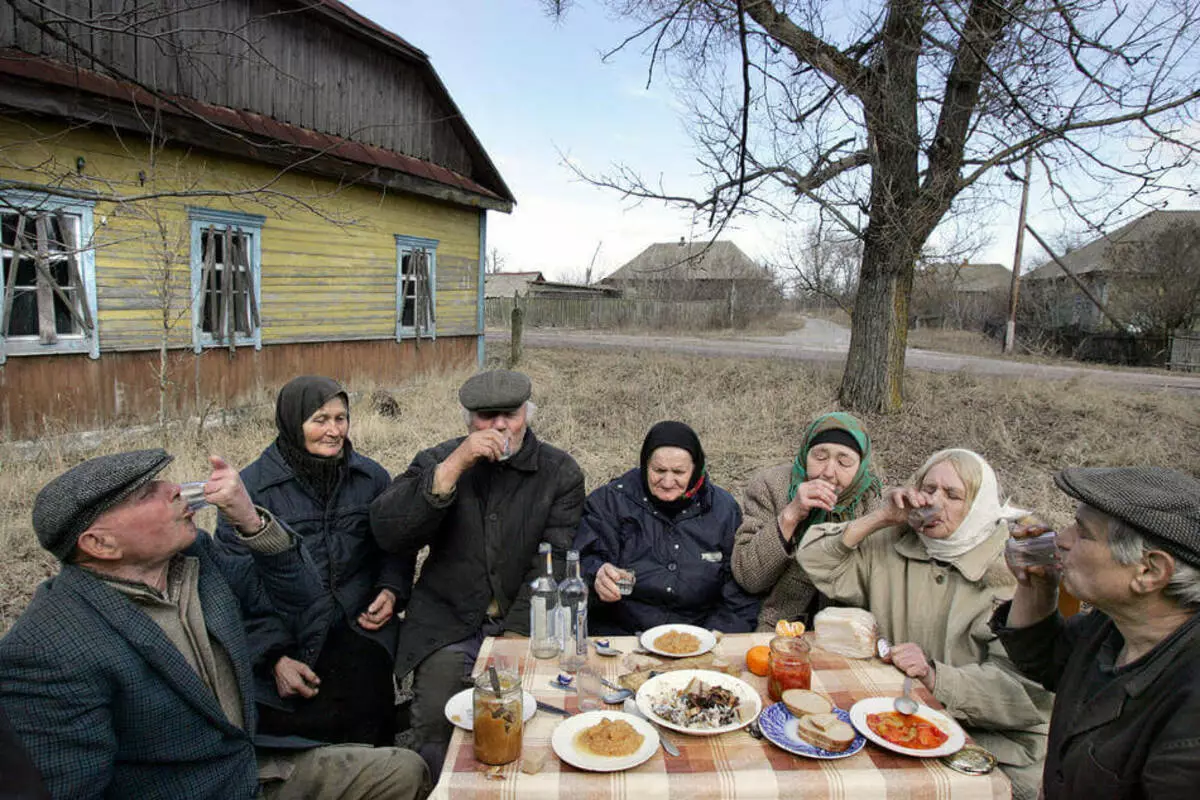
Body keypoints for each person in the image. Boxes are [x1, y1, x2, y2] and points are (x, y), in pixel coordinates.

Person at [0, 449, 427, 800]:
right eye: (148, 492)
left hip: (247, 770)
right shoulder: (46, 649)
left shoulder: (196, 559)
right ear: (99, 543)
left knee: (403, 772)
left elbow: (303, 600)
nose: (174, 489)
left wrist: (250, 521)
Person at [797, 448, 1052, 799]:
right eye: (928, 489)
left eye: (953, 495)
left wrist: (935, 677)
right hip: (897, 720)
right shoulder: (895, 541)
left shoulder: (1012, 571)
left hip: (990, 742)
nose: (934, 502)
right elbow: (813, 558)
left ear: (979, 507)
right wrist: (881, 517)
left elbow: (1026, 693)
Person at [370, 369, 585, 777]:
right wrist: (453, 468)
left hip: (525, 621)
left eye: (510, 414)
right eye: (486, 417)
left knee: (529, 716)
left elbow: (552, 562)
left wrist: (515, 637)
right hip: (448, 621)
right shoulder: (440, 459)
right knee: (436, 720)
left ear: (527, 413)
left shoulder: (560, 473)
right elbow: (388, 530)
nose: (500, 426)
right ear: (469, 420)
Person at [216, 376, 411, 747]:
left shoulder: (370, 477)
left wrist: (391, 587)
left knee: (374, 741)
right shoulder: (250, 491)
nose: (334, 431)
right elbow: (233, 585)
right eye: (320, 419)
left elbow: (394, 545)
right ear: (292, 422)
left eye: (341, 419)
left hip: (358, 627)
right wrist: (273, 657)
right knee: (308, 749)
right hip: (290, 636)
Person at [992, 467, 1200, 799]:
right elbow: (1043, 659)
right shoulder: (1113, 624)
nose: (1062, 538)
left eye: (1084, 533)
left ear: (1150, 570)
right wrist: (1037, 584)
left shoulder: (1190, 713)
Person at [575, 420, 759, 634]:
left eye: (679, 472)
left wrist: (710, 639)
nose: (668, 481)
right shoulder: (611, 501)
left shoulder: (724, 509)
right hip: (621, 633)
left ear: (696, 469)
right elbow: (578, 560)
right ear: (645, 465)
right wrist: (596, 575)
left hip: (699, 634)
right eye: (659, 470)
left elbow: (738, 592)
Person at [732, 412, 882, 631]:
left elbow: (875, 585)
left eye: (844, 462)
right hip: (777, 624)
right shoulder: (771, 486)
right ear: (805, 454)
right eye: (820, 457)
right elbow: (749, 577)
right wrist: (790, 515)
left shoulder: (870, 500)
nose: (829, 472)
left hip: (845, 631)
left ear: (860, 466)